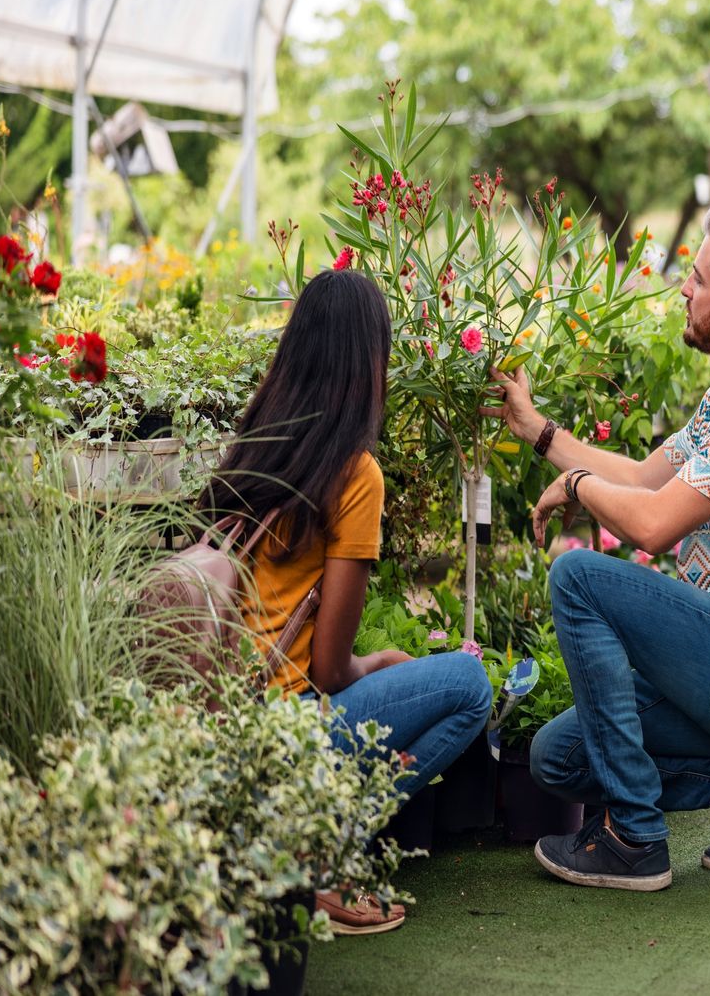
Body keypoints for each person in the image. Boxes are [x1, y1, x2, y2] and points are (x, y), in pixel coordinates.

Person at [481, 201, 710, 892]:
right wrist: (540, 433)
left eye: (696, 279)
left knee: (578, 576)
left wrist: (576, 486)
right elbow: (645, 477)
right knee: (559, 757)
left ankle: (634, 839)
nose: (683, 289)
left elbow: (650, 523)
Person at [201, 268, 492, 931]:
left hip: (229, 728)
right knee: (471, 683)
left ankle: (295, 839)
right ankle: (314, 850)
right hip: (291, 736)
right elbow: (331, 673)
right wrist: (379, 662)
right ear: (369, 361)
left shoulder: (257, 446)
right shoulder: (354, 473)